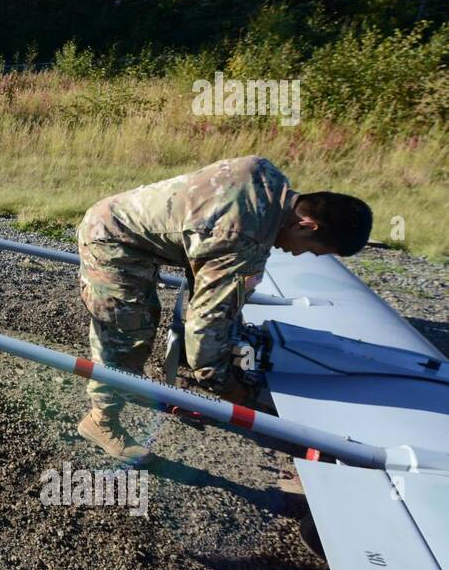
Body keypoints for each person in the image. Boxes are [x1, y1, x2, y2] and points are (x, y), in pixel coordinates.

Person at [74, 155, 372, 463]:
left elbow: (212, 267)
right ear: (306, 225)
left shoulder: (267, 177)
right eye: (312, 249)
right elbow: (206, 326)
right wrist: (228, 387)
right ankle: (101, 420)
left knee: (150, 317)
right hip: (110, 240)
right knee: (128, 333)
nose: (301, 254)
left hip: (128, 222)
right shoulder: (244, 238)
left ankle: (128, 383)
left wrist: (226, 328)